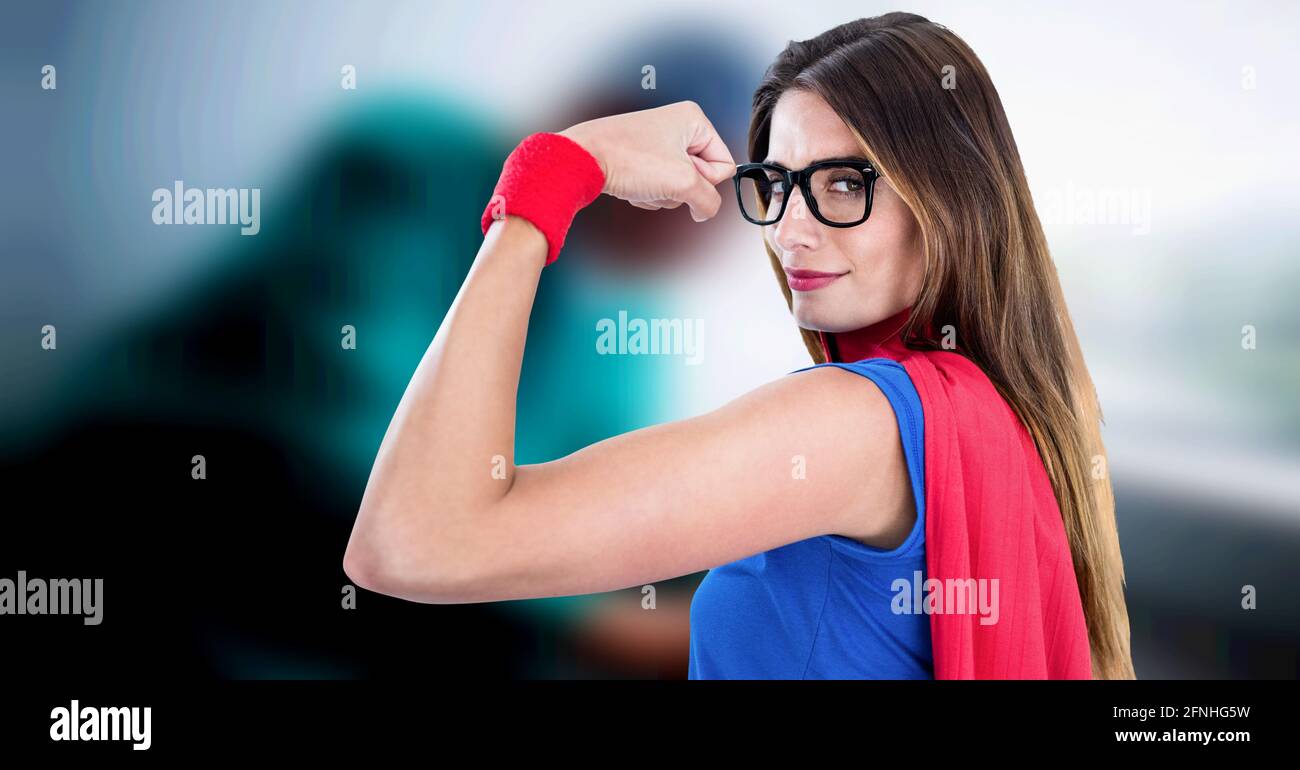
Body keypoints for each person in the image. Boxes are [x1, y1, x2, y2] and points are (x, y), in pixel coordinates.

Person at [343, 12, 1135, 680]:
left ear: (952, 199)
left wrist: (552, 173)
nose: (790, 230)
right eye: (779, 184)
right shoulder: (1008, 410)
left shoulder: (850, 424)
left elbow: (413, 541)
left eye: (846, 184)